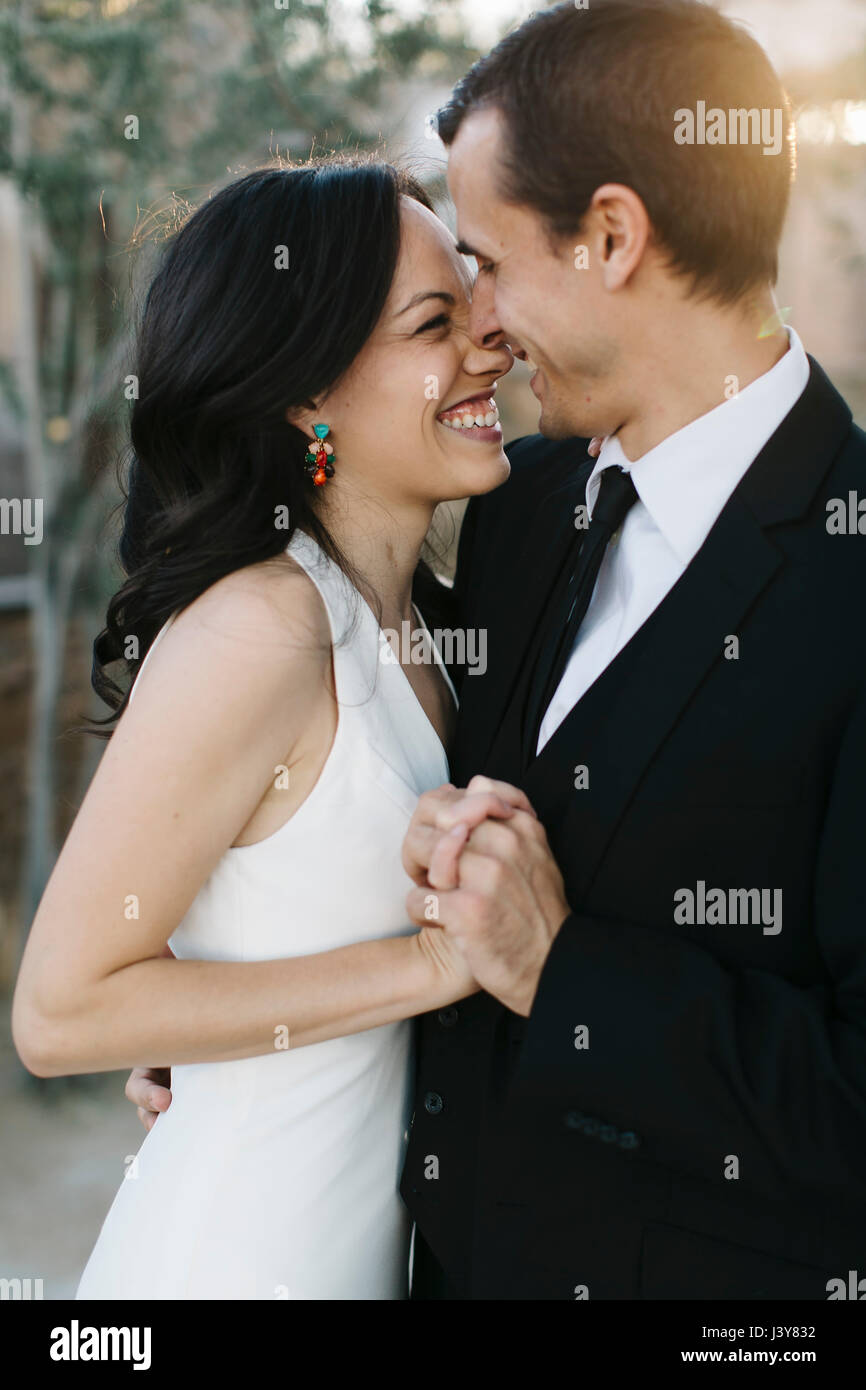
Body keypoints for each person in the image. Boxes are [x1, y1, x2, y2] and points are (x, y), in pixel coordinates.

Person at [132, 0, 866, 1300]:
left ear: (611, 236)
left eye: (484, 261)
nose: (476, 317)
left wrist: (562, 966)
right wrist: (246, 1024)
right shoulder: (518, 503)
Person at [12, 156, 522, 1299]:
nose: (489, 337)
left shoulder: (426, 627)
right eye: (434, 320)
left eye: (476, 300)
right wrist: (430, 966)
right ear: (305, 394)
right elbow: (59, 1007)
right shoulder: (265, 626)